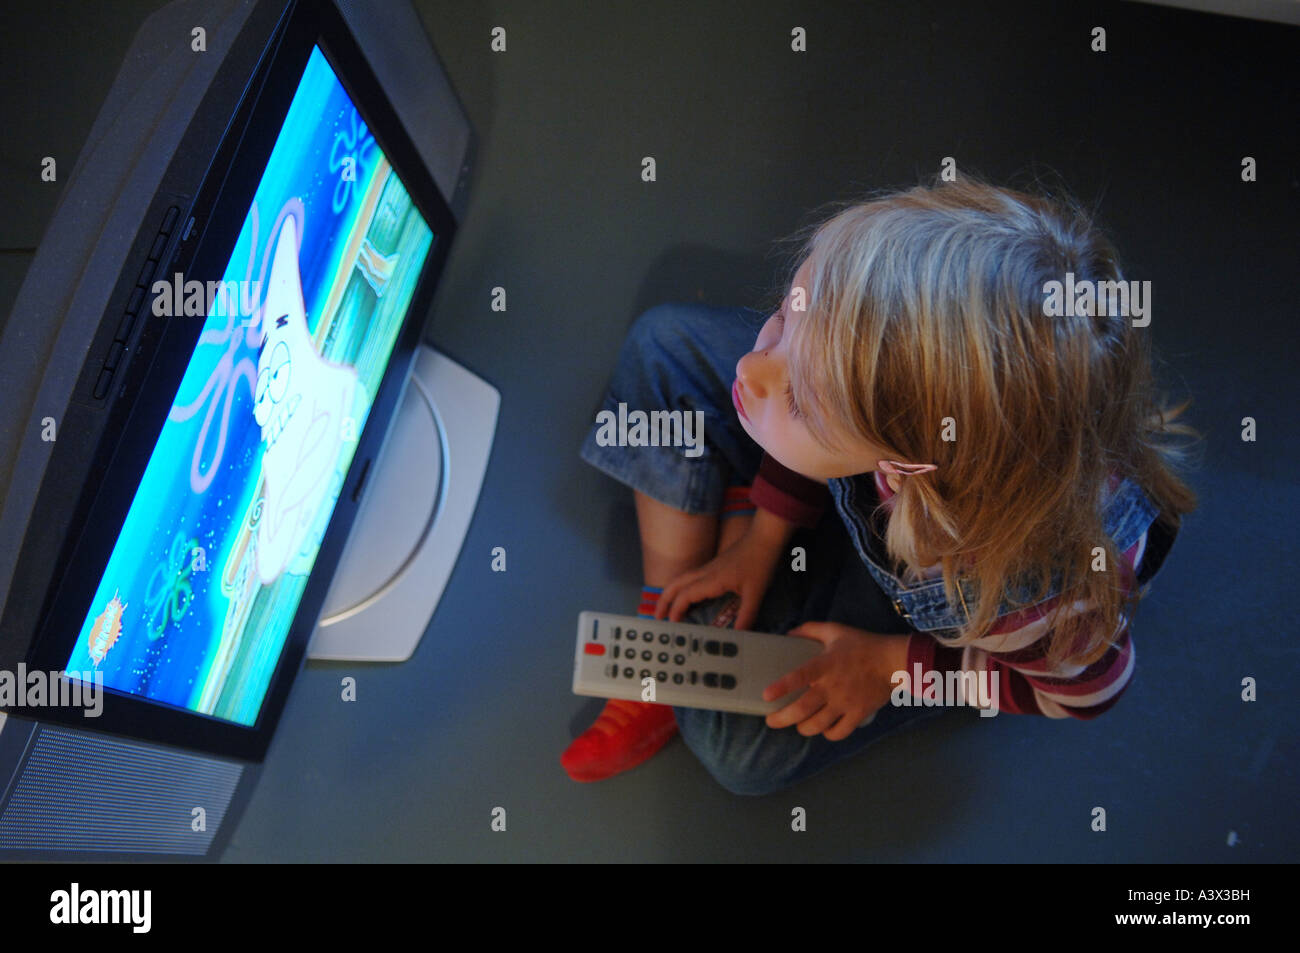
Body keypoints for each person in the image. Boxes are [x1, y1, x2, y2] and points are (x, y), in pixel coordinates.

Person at [563, 173, 1200, 795]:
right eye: (789, 312)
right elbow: (832, 439)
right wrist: (762, 537)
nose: (752, 367)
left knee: (738, 751)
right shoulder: (900, 404)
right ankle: (670, 610)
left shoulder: (1033, 603)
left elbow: (1088, 696)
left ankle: (700, 585)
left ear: (916, 455)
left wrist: (886, 667)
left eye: (805, 400)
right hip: (874, 491)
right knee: (663, 345)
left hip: (921, 588)